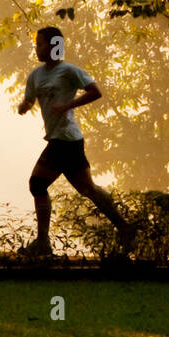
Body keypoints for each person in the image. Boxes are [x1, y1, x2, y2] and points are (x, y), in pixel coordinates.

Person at [16, 26, 134, 257]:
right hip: (65, 140)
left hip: (65, 138)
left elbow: (95, 91)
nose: (36, 48)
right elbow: (29, 98)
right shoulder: (36, 75)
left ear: (53, 46)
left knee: (37, 184)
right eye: (36, 44)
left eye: (40, 44)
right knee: (87, 189)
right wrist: (25, 106)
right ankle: (125, 227)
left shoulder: (69, 71)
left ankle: (42, 243)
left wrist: (68, 105)